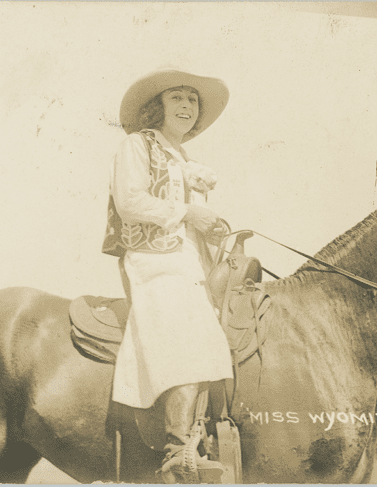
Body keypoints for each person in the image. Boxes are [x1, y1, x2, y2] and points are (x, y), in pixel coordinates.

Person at [101, 69, 233, 482]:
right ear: (157, 106)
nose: (186, 106)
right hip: (152, 259)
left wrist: (207, 228)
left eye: (192, 101)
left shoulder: (185, 161)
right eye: (177, 97)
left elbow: (185, 218)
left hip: (189, 260)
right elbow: (130, 201)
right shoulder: (137, 146)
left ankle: (203, 433)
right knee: (187, 336)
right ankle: (177, 450)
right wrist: (188, 212)